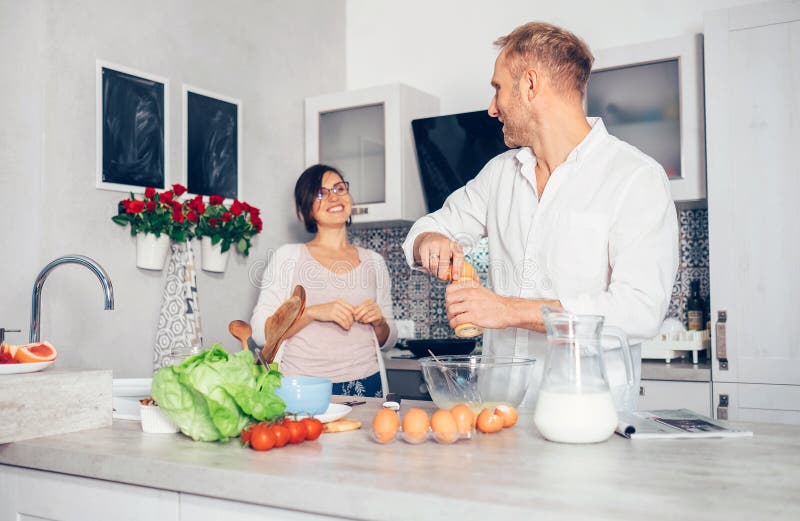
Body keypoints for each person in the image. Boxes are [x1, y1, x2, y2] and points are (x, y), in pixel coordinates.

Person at [402, 22, 679, 408]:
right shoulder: (500, 173)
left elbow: (639, 309)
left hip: (587, 414)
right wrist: (428, 241)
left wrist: (507, 310)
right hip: (501, 413)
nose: (492, 107)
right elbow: (431, 227)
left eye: (498, 88)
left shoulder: (635, 177)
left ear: (530, 85)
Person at [251, 164, 397, 397]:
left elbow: (387, 341)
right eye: (321, 193)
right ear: (305, 209)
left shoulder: (375, 262)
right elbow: (261, 333)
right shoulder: (288, 257)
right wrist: (311, 312)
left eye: (339, 188)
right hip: (300, 385)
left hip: (367, 385)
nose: (334, 197)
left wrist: (379, 322)